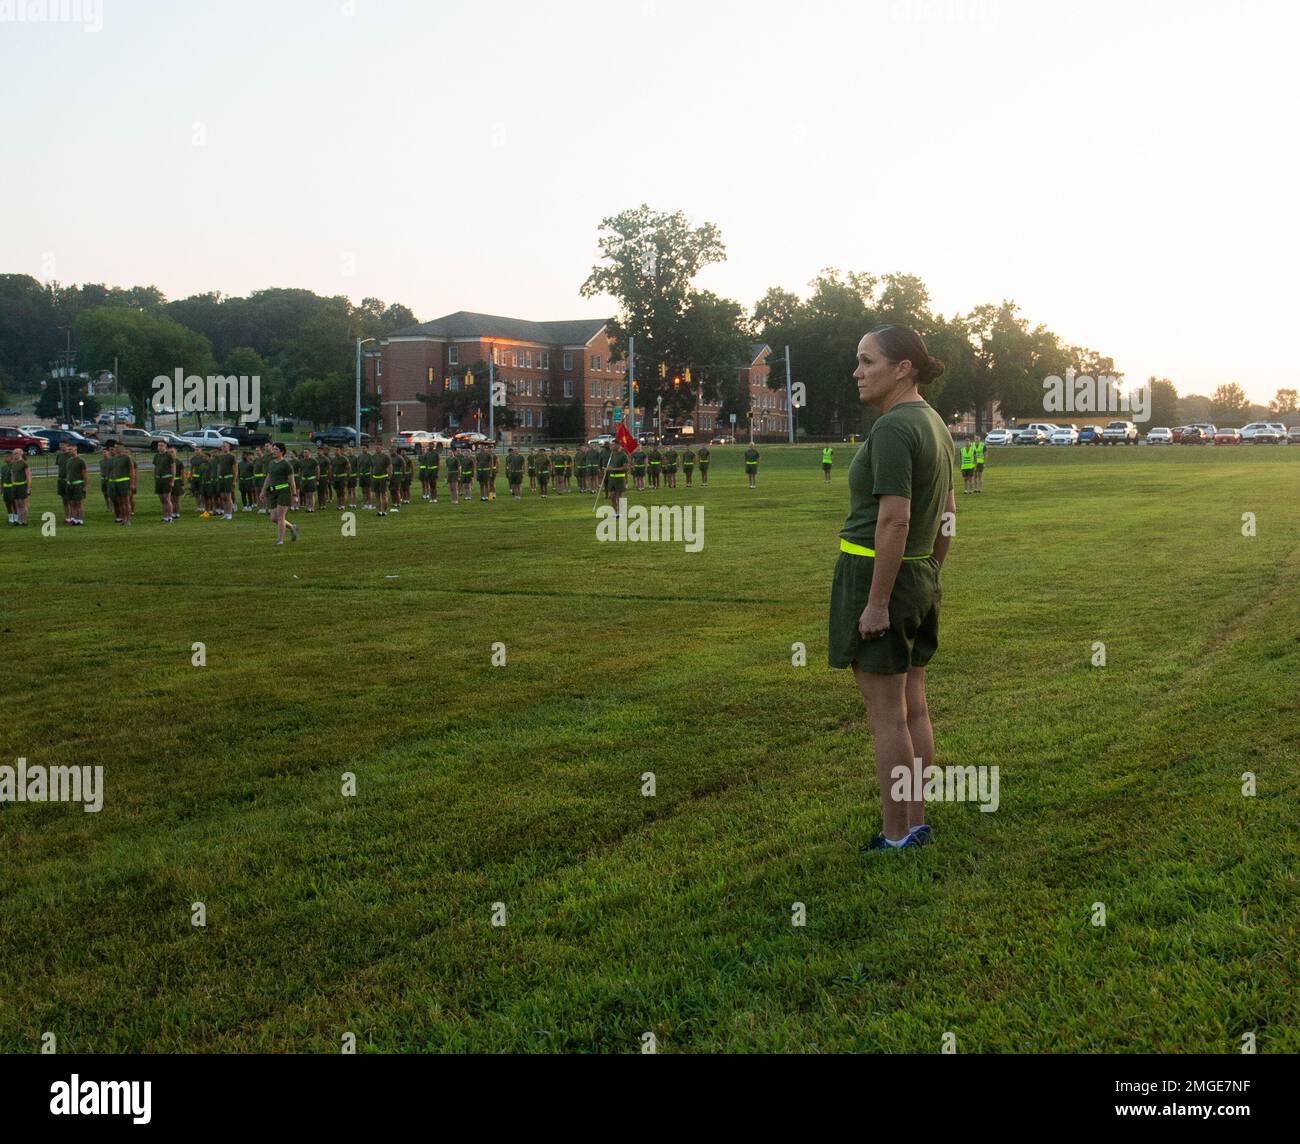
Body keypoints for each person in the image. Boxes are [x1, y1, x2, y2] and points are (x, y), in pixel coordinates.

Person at [828, 324, 955, 852]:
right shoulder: (935, 423)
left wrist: (877, 600)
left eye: (866, 361)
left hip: (878, 577)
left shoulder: (893, 428)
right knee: (914, 708)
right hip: (919, 574)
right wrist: (932, 573)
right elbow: (948, 516)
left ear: (902, 368)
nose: (857, 372)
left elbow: (895, 520)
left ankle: (896, 833)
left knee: (887, 716)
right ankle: (916, 821)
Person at [261, 443, 299, 545]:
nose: (273, 451)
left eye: (276, 449)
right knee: (273, 518)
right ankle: (292, 527)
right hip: (273, 492)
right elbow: (268, 478)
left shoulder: (286, 464)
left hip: (284, 492)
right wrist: (263, 491)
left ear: (282, 451)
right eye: (273, 449)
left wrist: (295, 495)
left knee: (280, 517)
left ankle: (280, 540)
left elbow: (292, 481)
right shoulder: (271, 463)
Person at [7, 449, 31, 525]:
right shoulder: (13, 464)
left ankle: (24, 521)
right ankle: (19, 520)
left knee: (23, 504)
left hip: (22, 486)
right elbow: (12, 475)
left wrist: (28, 488)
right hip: (15, 486)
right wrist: (13, 483)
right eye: (13, 454)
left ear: (21, 454)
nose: (14, 455)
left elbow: (28, 477)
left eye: (16, 453)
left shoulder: (24, 464)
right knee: (17, 504)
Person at [65, 446, 87, 525]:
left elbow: (85, 474)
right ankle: (74, 519)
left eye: (70, 449)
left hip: (78, 484)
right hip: (70, 485)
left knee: (79, 503)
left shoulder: (81, 461)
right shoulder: (69, 461)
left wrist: (85, 486)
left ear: (75, 449)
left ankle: (80, 519)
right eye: (68, 449)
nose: (69, 451)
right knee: (71, 503)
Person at [154, 440, 175, 522]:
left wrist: (172, 480)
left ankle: (170, 517)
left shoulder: (169, 456)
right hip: (159, 479)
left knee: (167, 499)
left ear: (165, 446)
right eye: (159, 445)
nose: (160, 447)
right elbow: (156, 468)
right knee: (162, 499)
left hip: (167, 479)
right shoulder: (156, 456)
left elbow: (173, 468)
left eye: (162, 445)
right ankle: (165, 516)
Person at [607, 437, 628, 516]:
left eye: (613, 445)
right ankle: (615, 512)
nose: (611, 446)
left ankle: (621, 512)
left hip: (619, 478)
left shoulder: (623, 455)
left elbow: (625, 468)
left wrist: (614, 469)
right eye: (611, 445)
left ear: (618, 445)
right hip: (612, 478)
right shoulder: (611, 455)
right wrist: (607, 469)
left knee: (619, 496)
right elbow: (610, 466)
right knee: (612, 496)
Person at [371, 443, 391, 516]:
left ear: (382, 448)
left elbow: (389, 467)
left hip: (383, 477)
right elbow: (372, 468)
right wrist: (372, 476)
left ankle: (384, 511)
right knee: (377, 495)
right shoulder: (373, 457)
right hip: (375, 478)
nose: (376, 449)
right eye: (376, 448)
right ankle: (379, 511)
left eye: (378, 447)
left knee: (384, 494)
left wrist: (389, 478)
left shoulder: (386, 457)